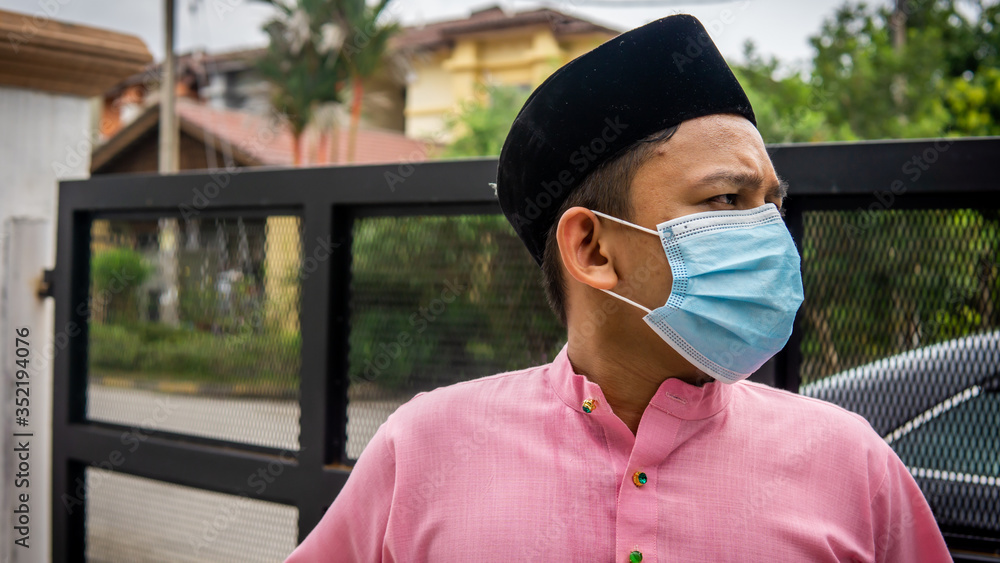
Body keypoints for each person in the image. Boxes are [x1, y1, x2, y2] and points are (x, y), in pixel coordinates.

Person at [285, 14, 952, 562]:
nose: (770, 235)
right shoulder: (425, 447)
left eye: (770, 204)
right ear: (593, 247)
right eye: (726, 198)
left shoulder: (851, 462)